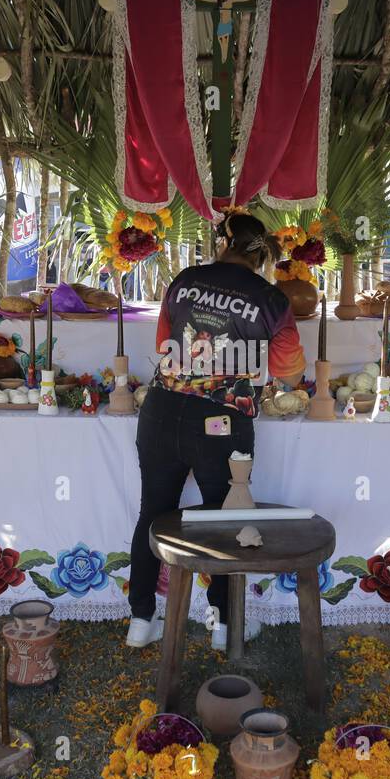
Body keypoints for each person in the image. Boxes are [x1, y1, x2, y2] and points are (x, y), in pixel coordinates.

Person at [126, 213, 306, 650]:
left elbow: (162, 346)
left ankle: (140, 621)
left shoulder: (185, 279)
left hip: (163, 410)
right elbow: (290, 372)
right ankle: (224, 626)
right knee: (225, 520)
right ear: (262, 253)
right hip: (221, 423)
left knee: (153, 511)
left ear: (223, 243)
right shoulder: (272, 299)